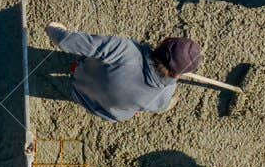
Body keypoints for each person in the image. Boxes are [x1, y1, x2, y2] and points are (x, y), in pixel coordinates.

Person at [45, 22, 201, 122]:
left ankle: (76, 71)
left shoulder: (125, 49)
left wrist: (54, 29)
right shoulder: (166, 92)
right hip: (105, 112)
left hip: (80, 83)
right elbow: (160, 106)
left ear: (164, 41)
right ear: (178, 75)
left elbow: (66, 41)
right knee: (156, 106)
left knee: (91, 64)